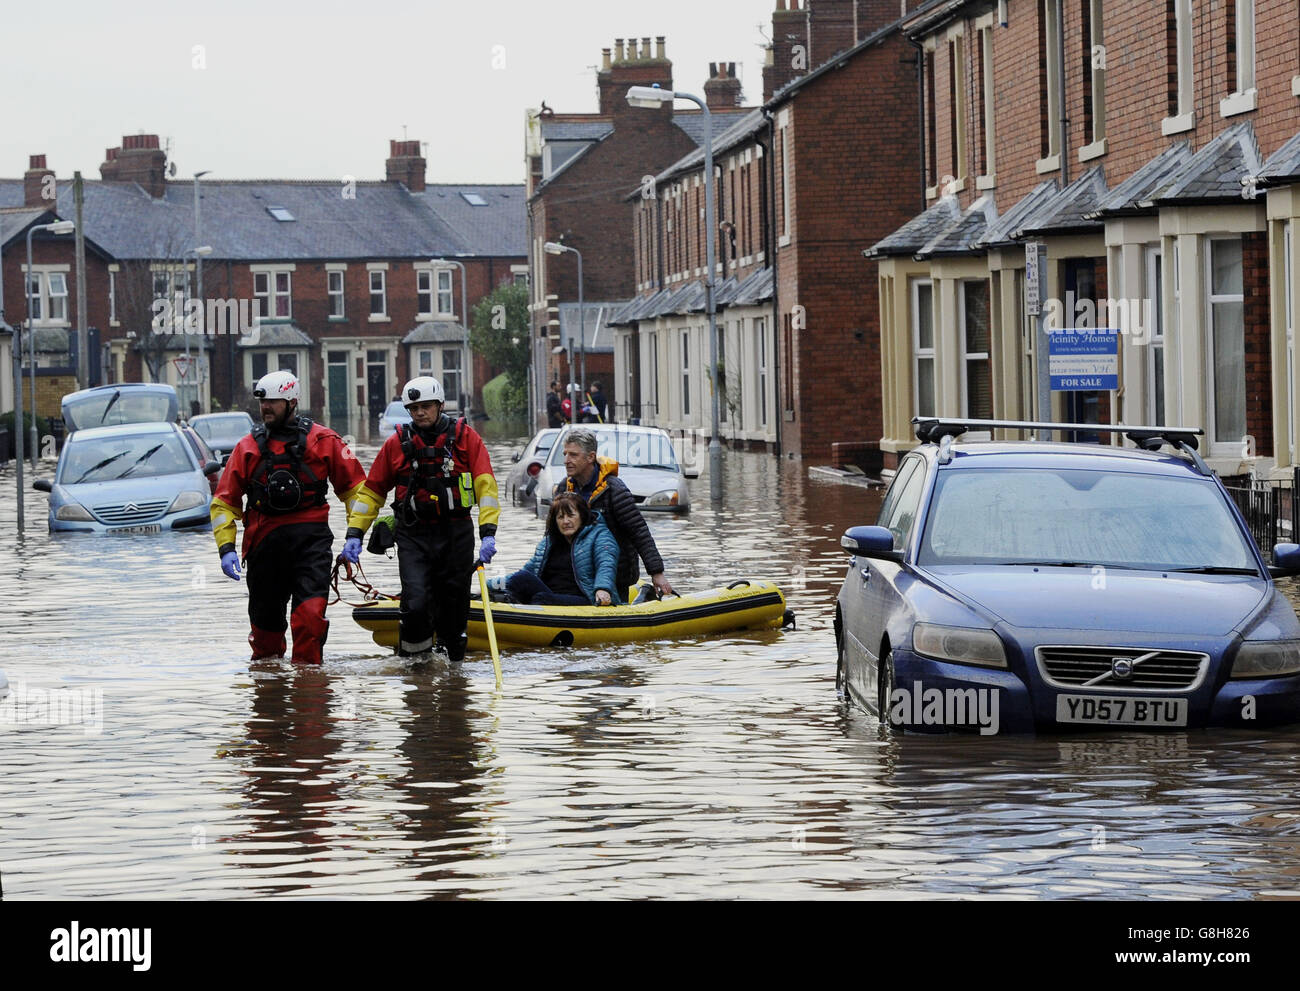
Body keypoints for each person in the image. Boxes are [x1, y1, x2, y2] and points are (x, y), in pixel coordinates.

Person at [210, 370, 371, 665]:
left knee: (310, 620)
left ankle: (309, 695)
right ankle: (270, 697)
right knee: (265, 638)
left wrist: (354, 536)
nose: (266, 408)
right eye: (262, 402)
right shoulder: (246, 448)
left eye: (273, 401)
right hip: (264, 548)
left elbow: (359, 492)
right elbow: (223, 503)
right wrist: (226, 549)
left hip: (311, 547)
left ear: (292, 402)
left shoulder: (326, 441)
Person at [343, 376, 500, 661]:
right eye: (413, 408)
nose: (420, 413)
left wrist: (488, 531)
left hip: (456, 534)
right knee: (415, 604)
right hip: (414, 535)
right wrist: (354, 534)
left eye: (426, 407)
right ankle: (417, 671)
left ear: (440, 405)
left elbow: (486, 486)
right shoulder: (396, 444)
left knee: (454, 609)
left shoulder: (466, 439)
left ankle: (454, 672)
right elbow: (372, 493)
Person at [554, 427, 674, 599]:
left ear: (590, 457)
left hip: (616, 576)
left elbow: (639, 531)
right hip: (576, 575)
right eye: (565, 454)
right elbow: (552, 535)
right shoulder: (563, 489)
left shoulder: (614, 490)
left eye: (573, 455)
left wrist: (657, 573)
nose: (566, 460)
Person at [493, 493, 620, 606]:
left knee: (542, 598)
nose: (566, 521)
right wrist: (490, 585)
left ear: (582, 515)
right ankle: (497, 604)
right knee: (522, 579)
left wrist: (603, 588)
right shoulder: (549, 543)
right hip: (552, 595)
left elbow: (606, 564)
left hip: (585, 598)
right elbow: (527, 572)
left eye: (571, 515)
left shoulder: (600, 535)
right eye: (560, 517)